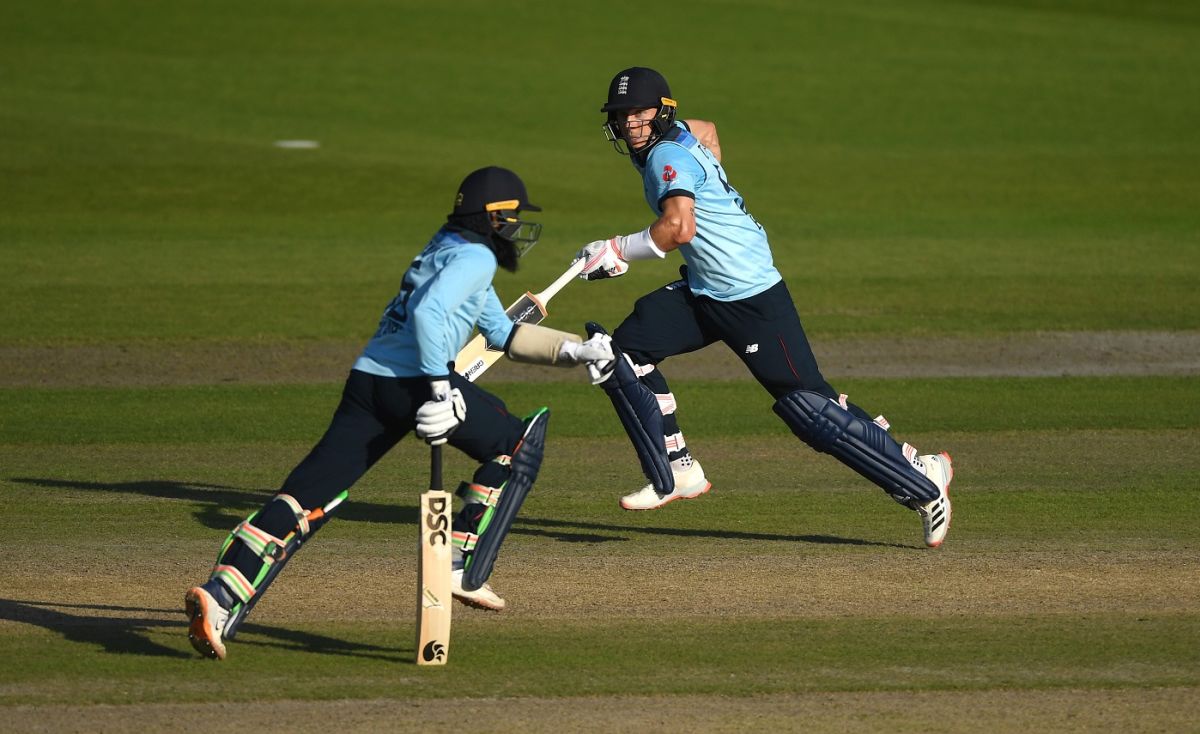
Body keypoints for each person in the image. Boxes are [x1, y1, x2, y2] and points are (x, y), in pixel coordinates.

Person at [185, 166, 613, 660]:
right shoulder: (475, 257)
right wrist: (439, 387)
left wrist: (575, 350)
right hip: (414, 381)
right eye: (511, 217)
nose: (516, 227)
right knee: (516, 446)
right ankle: (460, 562)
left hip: (369, 380)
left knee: (308, 496)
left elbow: (501, 332)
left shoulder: (447, 245)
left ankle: (220, 595)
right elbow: (429, 314)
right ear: (491, 217)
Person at [575, 67, 953, 546]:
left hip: (751, 296)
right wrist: (718, 194)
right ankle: (678, 467)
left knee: (810, 408)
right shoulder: (673, 137)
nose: (630, 124)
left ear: (662, 111)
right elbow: (708, 130)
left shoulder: (665, 156)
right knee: (625, 352)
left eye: (639, 113)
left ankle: (922, 480)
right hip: (706, 288)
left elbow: (679, 229)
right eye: (621, 115)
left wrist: (618, 250)